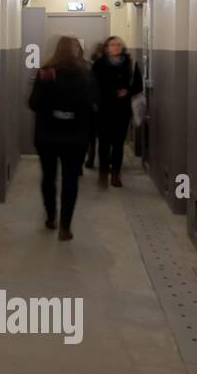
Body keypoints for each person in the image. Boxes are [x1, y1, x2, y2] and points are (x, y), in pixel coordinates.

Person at [28, 36, 96, 241]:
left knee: (48, 176)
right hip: (74, 136)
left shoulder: (46, 73)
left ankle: (51, 217)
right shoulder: (85, 75)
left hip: (47, 135)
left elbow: (33, 104)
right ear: (76, 51)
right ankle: (65, 226)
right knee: (70, 179)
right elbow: (91, 106)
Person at [91, 35, 143, 188]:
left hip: (122, 109)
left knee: (118, 143)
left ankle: (116, 174)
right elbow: (93, 85)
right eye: (112, 44)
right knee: (104, 143)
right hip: (104, 109)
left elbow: (138, 85)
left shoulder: (129, 64)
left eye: (119, 44)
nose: (116, 47)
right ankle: (103, 171)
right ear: (106, 48)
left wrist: (127, 91)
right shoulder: (99, 64)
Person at [84, 39, 105, 170]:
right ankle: (98, 160)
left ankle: (91, 160)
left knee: (92, 135)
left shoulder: (90, 65)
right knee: (95, 135)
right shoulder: (96, 66)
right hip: (98, 104)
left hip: (95, 104)